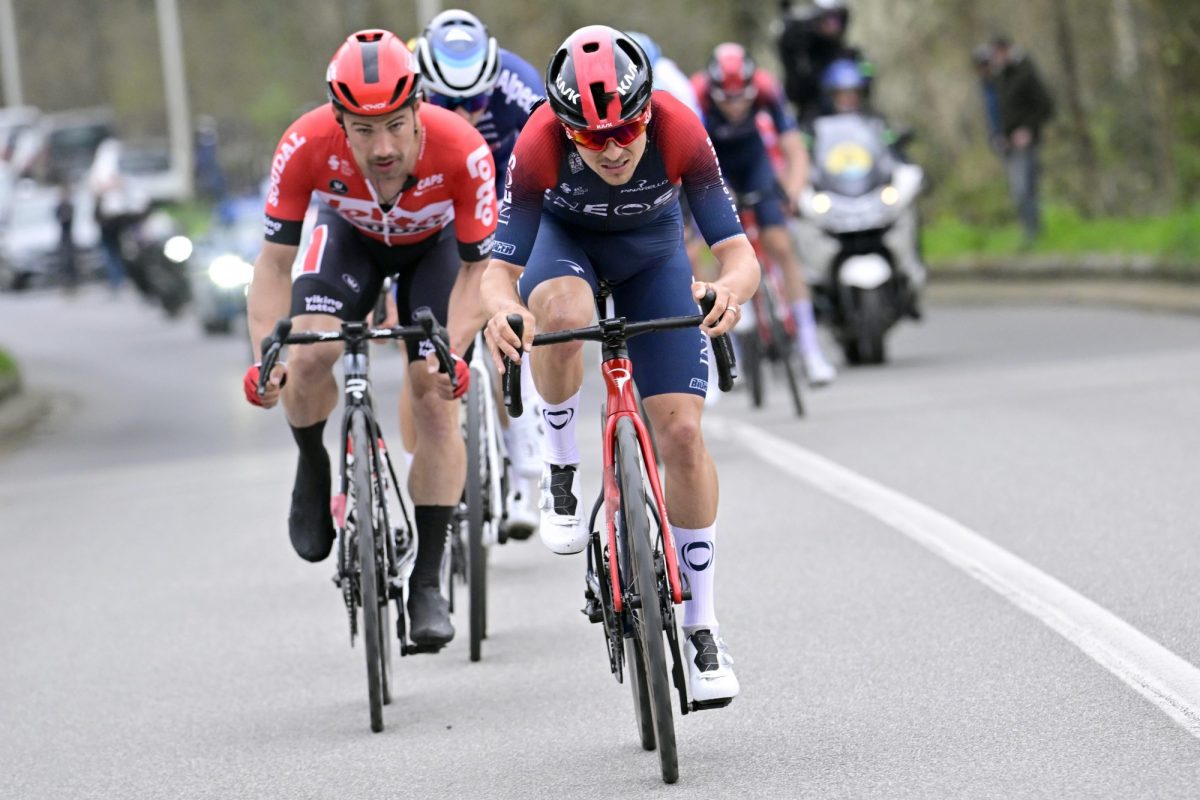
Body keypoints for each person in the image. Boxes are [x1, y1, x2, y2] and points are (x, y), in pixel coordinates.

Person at [481, 26, 757, 703]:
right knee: (565, 314)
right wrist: (500, 312)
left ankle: (702, 628)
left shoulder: (681, 130)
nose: (612, 149)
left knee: (685, 437)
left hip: (652, 252)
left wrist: (727, 292)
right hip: (564, 246)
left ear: (646, 112)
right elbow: (499, 272)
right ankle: (562, 469)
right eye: (592, 138)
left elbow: (739, 255)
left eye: (625, 132)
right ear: (565, 127)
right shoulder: (539, 141)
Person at [243, 29, 497, 648]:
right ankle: (312, 463)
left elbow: (477, 272)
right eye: (362, 130)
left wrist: (454, 354)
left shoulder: (463, 149)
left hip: (434, 254)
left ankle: (429, 581)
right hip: (348, 239)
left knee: (433, 393)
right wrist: (266, 361)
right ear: (338, 121)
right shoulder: (304, 142)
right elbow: (275, 267)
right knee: (309, 354)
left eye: (395, 126)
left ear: (418, 110)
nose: (382, 147)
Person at [412, 9, 545, 538]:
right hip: (447, 202)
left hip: (513, 193)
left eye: (475, 103)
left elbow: (551, 160)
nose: (465, 116)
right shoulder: (412, 88)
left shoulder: (519, 83)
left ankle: (524, 467)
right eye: (450, 103)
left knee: (516, 319)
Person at [693, 43, 837, 384]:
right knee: (723, 249)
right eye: (726, 99)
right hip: (715, 165)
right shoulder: (697, 94)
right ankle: (731, 350)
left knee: (780, 244)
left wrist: (792, 191)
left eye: (742, 97)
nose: (735, 105)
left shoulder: (768, 88)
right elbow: (692, 156)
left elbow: (794, 150)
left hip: (753, 159)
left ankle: (810, 348)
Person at [991, 34, 1054, 248]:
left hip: (1027, 142)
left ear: (1007, 50)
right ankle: (1030, 231)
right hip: (1009, 145)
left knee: (1025, 189)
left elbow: (1045, 106)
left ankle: (1033, 233)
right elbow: (1001, 112)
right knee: (1018, 191)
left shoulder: (1026, 72)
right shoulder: (1000, 77)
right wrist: (1000, 134)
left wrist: (1027, 130)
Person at [776, 0, 870, 122]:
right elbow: (794, 89)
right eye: (827, 21)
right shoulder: (805, 56)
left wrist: (867, 74)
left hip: (854, 120)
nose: (832, 26)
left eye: (836, 21)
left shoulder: (851, 55)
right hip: (816, 116)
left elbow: (868, 74)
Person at [971, 43, 1004, 152]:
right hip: (999, 140)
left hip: (1015, 136)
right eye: (980, 66)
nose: (984, 69)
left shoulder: (1004, 81)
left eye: (986, 64)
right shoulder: (983, 87)